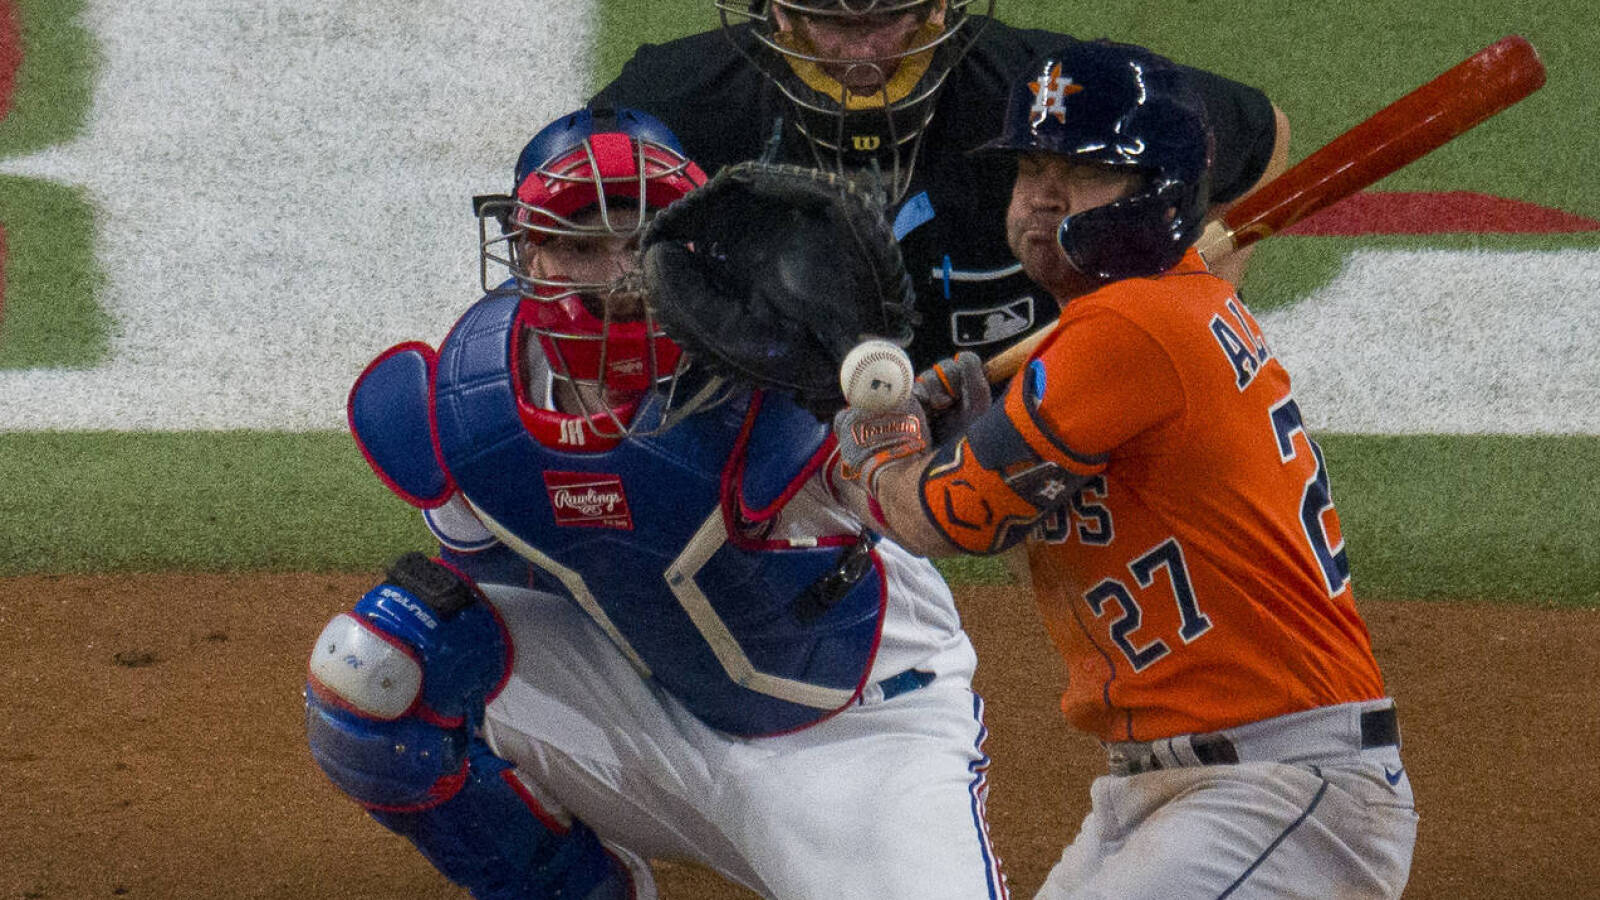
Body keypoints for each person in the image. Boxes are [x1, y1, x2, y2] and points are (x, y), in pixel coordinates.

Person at [305, 107, 1010, 900]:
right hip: (652, 715)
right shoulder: (469, 402)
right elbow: (488, 594)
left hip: (855, 738)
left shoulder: (790, 374)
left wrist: (912, 450)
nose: (620, 275)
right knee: (376, 666)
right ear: (527, 251)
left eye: (643, 241)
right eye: (581, 245)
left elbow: (914, 516)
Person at [829, 42, 1417, 898]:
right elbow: (1026, 515)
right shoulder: (1148, 317)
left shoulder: (1131, 329)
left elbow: (947, 520)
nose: (1044, 196)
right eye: (1031, 169)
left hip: (1275, 787)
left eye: (1085, 171)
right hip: (1175, 786)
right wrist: (968, 438)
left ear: (1161, 189)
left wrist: (883, 453)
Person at [591, 0, 1291, 369]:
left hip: (1023, 428)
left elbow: (1261, 140)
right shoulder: (675, 100)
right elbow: (560, 232)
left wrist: (1178, 319)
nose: (861, 54)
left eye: (887, 14)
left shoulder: (1044, 88)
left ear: (938, 7)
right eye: (829, 17)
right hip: (777, 439)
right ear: (776, 10)